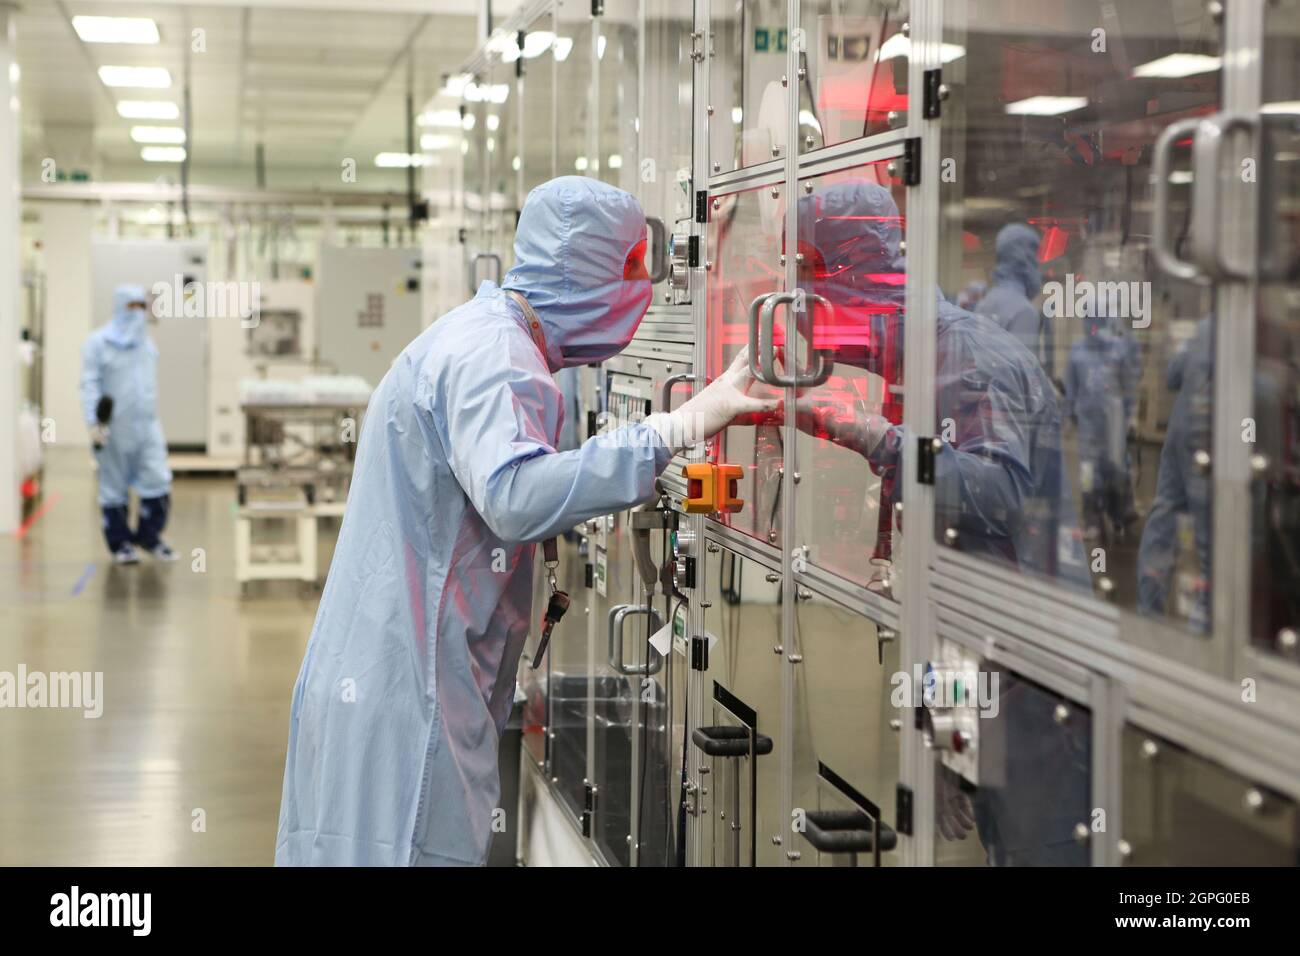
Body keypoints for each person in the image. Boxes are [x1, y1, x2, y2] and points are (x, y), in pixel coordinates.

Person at [276, 176, 775, 866]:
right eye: (631, 267)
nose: (643, 288)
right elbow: (514, 496)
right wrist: (672, 428)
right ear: (582, 268)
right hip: (407, 701)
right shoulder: (495, 357)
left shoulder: (490, 337)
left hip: (389, 674)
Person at [79, 283, 176, 564]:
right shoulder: (98, 342)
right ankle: (120, 543)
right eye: (131, 306)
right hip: (113, 428)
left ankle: (150, 537)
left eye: (140, 306)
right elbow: (89, 384)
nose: (137, 313)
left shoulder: (146, 343)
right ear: (119, 307)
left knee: (158, 480)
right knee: (113, 486)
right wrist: (93, 422)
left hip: (147, 426)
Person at [973, 223, 1054, 377]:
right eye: (1035, 258)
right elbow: (1021, 381)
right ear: (1025, 260)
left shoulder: (984, 304)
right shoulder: (1023, 311)